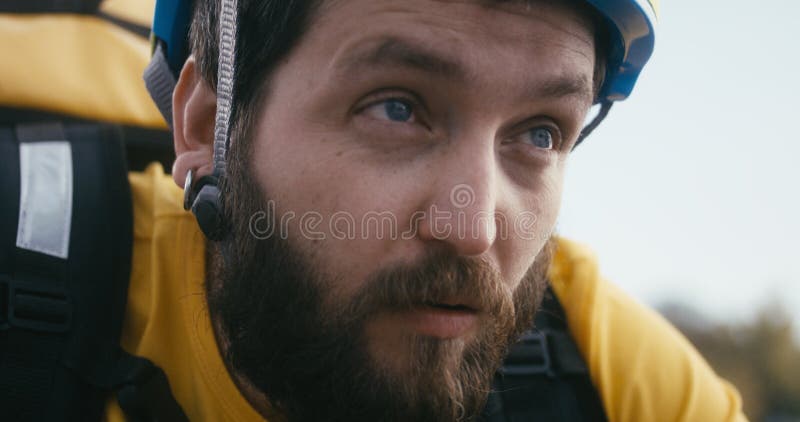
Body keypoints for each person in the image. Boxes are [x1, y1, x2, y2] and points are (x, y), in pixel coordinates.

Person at [100, 0, 747, 420]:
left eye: (540, 133)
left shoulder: (608, 376)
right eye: (397, 108)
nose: (471, 230)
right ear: (208, 124)